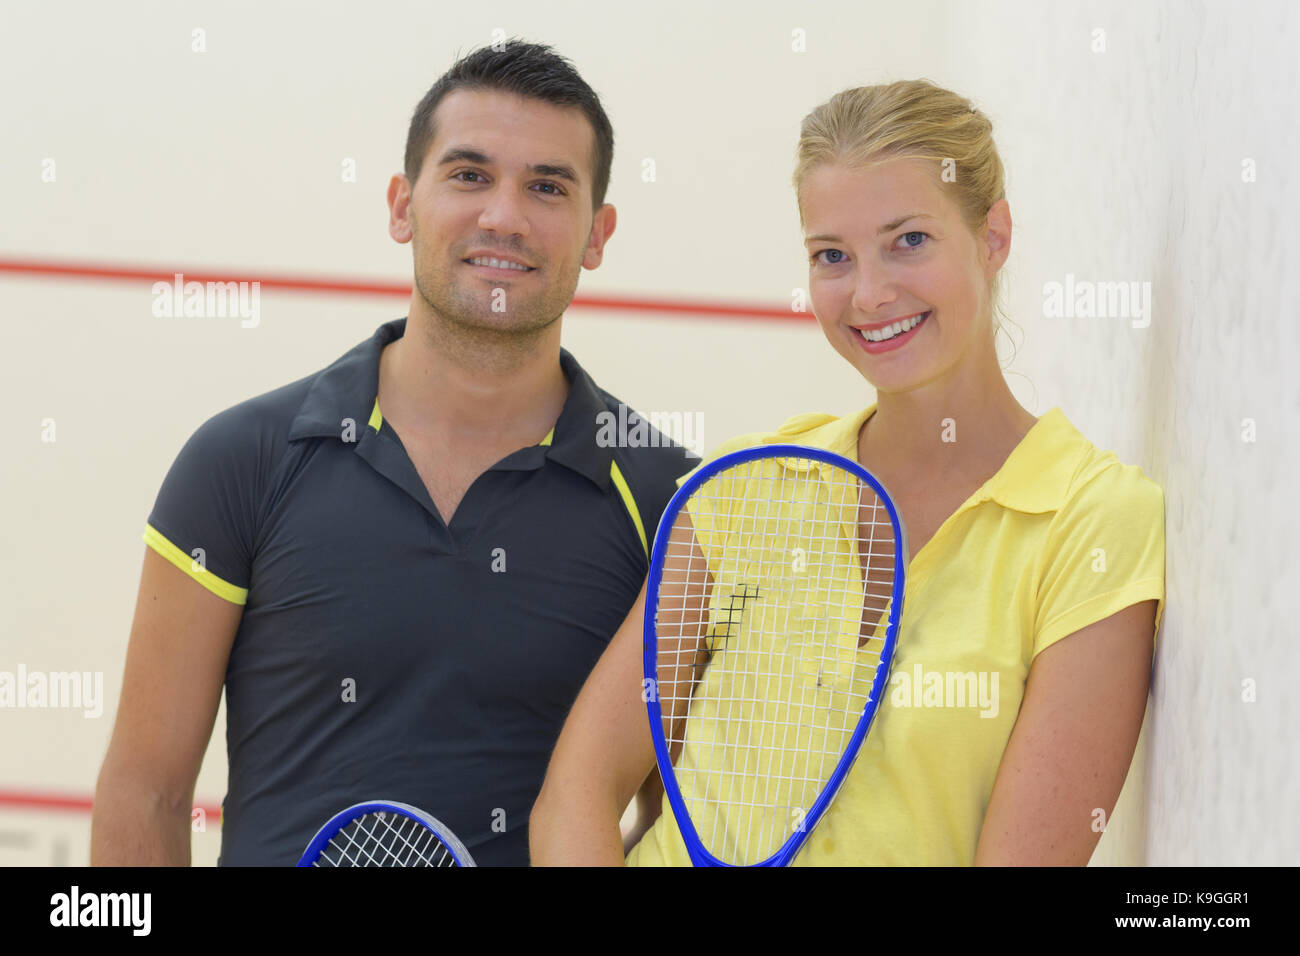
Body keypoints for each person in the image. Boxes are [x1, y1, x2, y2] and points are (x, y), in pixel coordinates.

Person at [530, 79, 1166, 866]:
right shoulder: (741, 489)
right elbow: (579, 792)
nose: (868, 294)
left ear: (993, 237)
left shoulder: (1095, 523)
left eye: (909, 241)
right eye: (833, 256)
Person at [91, 40, 694, 866]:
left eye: (548, 187)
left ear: (599, 233)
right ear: (402, 205)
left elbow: (677, 818)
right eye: (469, 175)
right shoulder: (240, 461)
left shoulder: (674, 504)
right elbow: (145, 792)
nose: (504, 217)